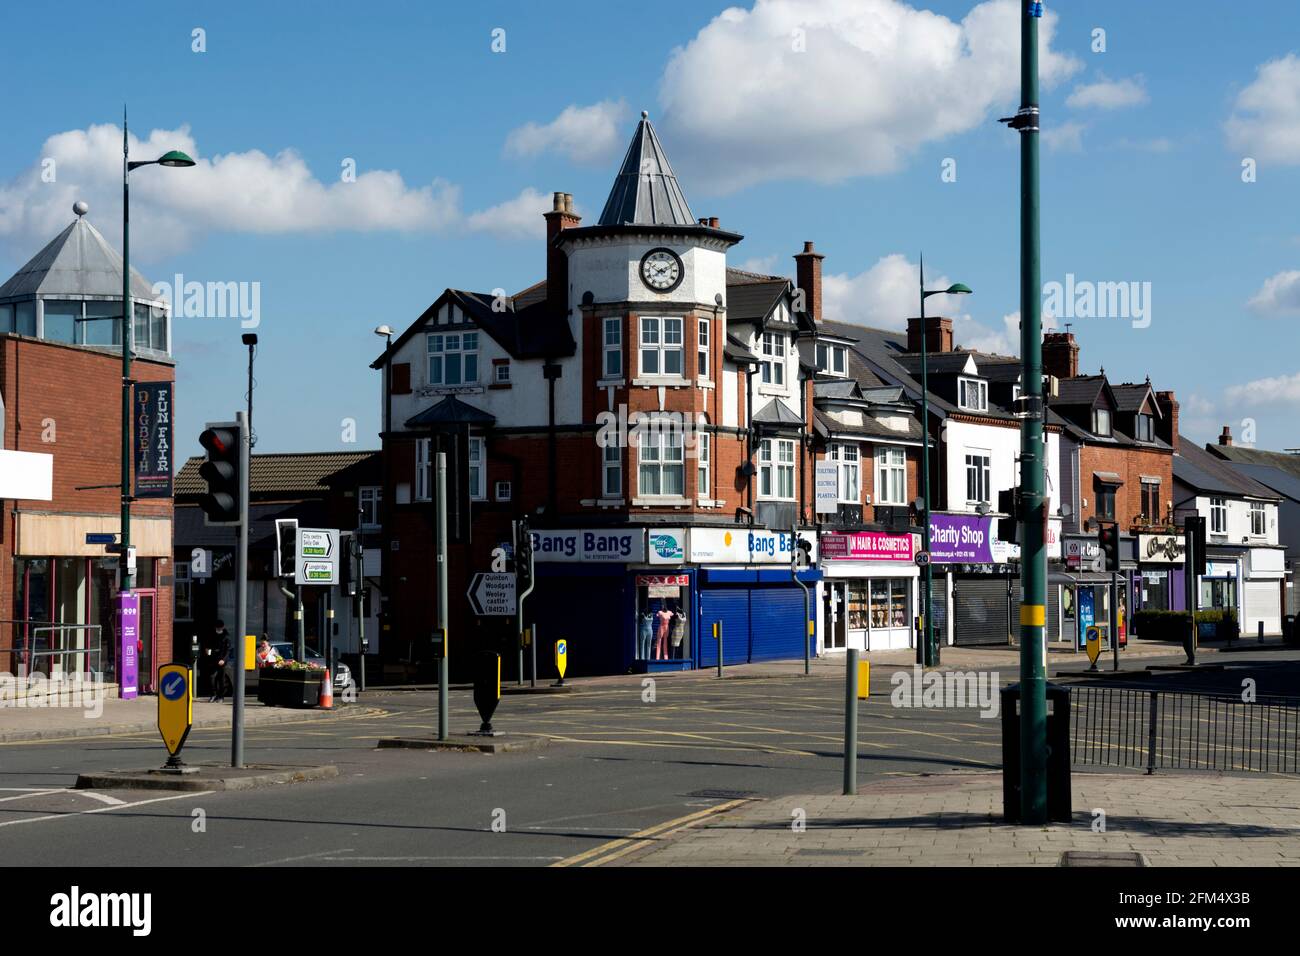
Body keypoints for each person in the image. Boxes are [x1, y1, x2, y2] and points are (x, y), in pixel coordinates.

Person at [210, 625, 232, 703]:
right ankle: (214, 694)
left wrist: (223, 660)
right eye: (216, 628)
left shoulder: (226, 637)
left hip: (223, 662)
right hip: (214, 660)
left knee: (221, 679)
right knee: (212, 677)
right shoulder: (213, 635)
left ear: (222, 628)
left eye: (219, 628)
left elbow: (228, 650)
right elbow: (211, 646)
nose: (217, 629)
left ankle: (221, 697)